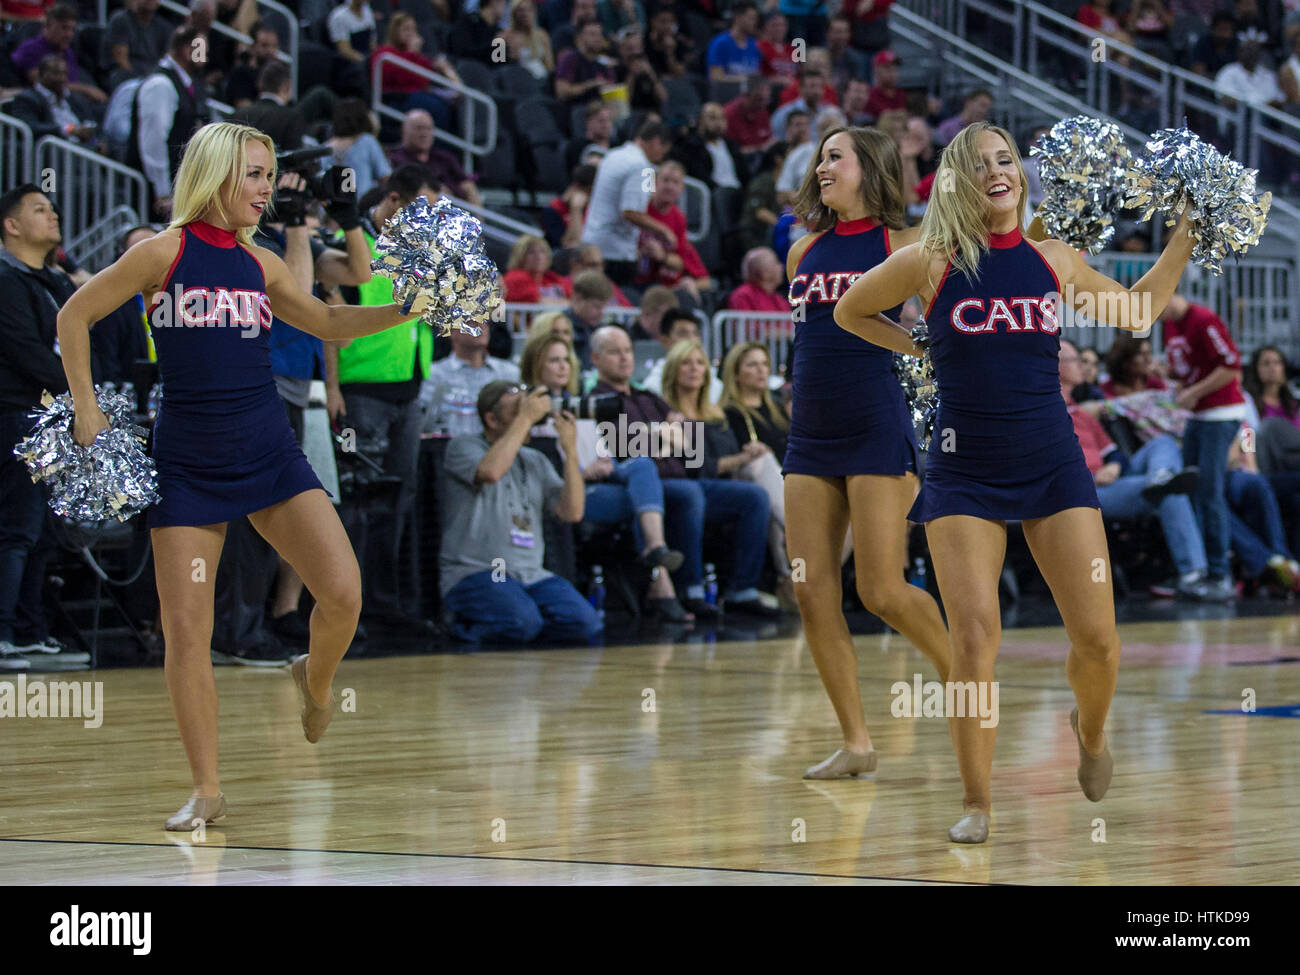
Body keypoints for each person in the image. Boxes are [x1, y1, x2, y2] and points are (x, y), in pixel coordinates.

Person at [56, 122, 433, 828]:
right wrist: (85, 405)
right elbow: (74, 314)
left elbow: (324, 319)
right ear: (216, 177)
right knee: (187, 630)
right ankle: (207, 786)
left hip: (268, 450)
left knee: (343, 592)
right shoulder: (161, 253)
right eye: (253, 175)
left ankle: (312, 678)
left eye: (268, 175)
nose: (265, 188)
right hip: (189, 463)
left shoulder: (261, 263)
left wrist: (405, 306)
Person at [835, 121, 1196, 842]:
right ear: (957, 182)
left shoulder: (1052, 258)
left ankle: (1090, 735)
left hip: (1052, 461)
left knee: (1098, 640)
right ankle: (978, 801)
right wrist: (916, 344)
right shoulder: (929, 262)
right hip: (963, 467)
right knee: (974, 637)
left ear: (1021, 174)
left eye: (1006, 159)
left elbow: (1137, 309)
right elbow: (848, 309)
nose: (997, 171)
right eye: (979, 164)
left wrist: (1185, 230)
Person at [778, 125, 953, 783]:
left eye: (835, 157)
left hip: (877, 423)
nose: (823, 167)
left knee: (880, 587)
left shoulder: (904, 244)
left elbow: (936, 330)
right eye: (821, 158)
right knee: (809, 588)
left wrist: (925, 355)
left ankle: (963, 678)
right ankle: (856, 741)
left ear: (870, 167)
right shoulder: (802, 252)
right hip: (810, 433)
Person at [326, 164, 442, 630]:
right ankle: (347, 604)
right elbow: (329, 321)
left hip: (406, 390)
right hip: (360, 391)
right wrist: (332, 386)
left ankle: (381, 600)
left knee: (398, 497)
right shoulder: (350, 249)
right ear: (393, 201)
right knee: (359, 497)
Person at [589, 327, 773, 618]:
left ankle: (742, 589)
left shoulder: (648, 397)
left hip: (687, 478)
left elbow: (693, 449)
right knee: (690, 493)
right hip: (648, 487)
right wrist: (667, 436)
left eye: (628, 351)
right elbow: (624, 450)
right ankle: (691, 588)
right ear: (595, 358)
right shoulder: (597, 401)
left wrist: (664, 436)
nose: (624, 358)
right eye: (615, 352)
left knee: (754, 497)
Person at [521, 329, 690, 619]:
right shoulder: (528, 410)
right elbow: (540, 468)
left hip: (600, 480)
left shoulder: (581, 403)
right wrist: (585, 471)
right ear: (536, 364)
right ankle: (660, 577)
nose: (563, 366)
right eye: (553, 361)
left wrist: (608, 462)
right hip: (569, 492)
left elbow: (604, 450)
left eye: (566, 360)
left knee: (641, 464)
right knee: (646, 500)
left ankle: (655, 547)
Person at [0, 184, 89, 669]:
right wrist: (83, 385)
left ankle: (30, 629)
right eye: (39, 209)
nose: (53, 214)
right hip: (15, 415)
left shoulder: (53, 281)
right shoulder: (5, 279)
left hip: (50, 417)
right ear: (11, 226)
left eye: (53, 207)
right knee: (16, 528)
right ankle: (4, 632)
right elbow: (27, 353)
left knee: (41, 529)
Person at [438, 381, 601, 644]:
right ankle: (459, 627)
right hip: (477, 571)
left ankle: (522, 628)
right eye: (518, 408)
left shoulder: (535, 459)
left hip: (531, 575)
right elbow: (491, 472)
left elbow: (572, 513)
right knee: (521, 622)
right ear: (491, 419)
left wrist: (571, 453)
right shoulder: (463, 446)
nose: (531, 415)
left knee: (585, 623)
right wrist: (525, 418)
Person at [1060, 339, 1210, 599]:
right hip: (1082, 491)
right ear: (1055, 365)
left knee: (1163, 445)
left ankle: (1161, 477)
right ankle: (1193, 573)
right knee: (1172, 490)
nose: (1083, 367)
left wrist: (1115, 466)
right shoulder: (1041, 413)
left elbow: (1116, 454)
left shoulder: (1082, 414)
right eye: (1076, 361)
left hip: (1111, 482)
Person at [1161, 293, 1246, 602]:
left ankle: (1220, 573)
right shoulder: (1171, 324)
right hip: (1198, 415)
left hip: (1220, 414)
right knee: (1190, 489)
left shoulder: (1204, 320)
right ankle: (1200, 569)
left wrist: (1193, 391)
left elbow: (1231, 366)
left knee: (1209, 493)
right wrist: (1168, 375)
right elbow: (1190, 368)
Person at [719, 340, 793, 607]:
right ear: (736, 372)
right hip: (747, 479)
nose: (761, 371)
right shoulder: (728, 413)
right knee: (761, 466)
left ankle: (791, 579)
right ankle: (796, 530)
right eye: (752, 365)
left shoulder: (777, 408)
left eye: (764, 364)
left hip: (784, 485)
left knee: (775, 512)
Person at [580, 119, 675, 289]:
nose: (661, 158)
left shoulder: (614, 155)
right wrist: (664, 230)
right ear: (655, 142)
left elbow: (647, 198)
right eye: (663, 151)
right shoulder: (640, 166)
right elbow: (630, 212)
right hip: (615, 252)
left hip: (594, 241)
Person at [129, 26, 207, 219]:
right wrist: (163, 191)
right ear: (188, 50)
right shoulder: (160, 84)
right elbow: (153, 141)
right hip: (155, 197)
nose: (206, 56)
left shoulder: (187, 83)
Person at [422, 319, 521, 436]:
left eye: (485, 322)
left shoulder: (510, 372)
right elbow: (424, 421)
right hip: (448, 446)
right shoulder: (434, 373)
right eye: (472, 322)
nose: (481, 327)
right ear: (451, 331)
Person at [371, 11, 462, 132]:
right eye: (406, 29)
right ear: (395, 31)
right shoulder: (385, 53)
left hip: (415, 94)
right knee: (438, 107)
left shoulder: (412, 54)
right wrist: (412, 53)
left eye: (413, 29)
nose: (411, 34)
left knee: (454, 106)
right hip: (396, 98)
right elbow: (406, 78)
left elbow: (426, 77)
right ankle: (438, 148)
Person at [13, 5, 107, 105]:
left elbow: (71, 83)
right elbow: (45, 85)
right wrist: (85, 89)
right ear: (47, 26)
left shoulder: (68, 52)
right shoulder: (30, 49)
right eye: (64, 28)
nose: (69, 34)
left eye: (72, 30)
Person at [386, 109, 481, 205]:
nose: (424, 134)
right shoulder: (394, 159)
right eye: (419, 128)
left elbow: (465, 183)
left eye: (428, 129)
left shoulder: (445, 158)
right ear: (404, 131)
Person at [7, 54, 97, 142]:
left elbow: (91, 122)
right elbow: (30, 127)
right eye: (56, 73)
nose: (61, 78)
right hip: (54, 152)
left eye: (64, 73)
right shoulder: (27, 98)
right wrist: (68, 130)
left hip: (84, 148)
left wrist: (100, 141)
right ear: (41, 75)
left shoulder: (74, 98)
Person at [639, 309, 720, 399]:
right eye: (683, 333)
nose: (691, 339)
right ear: (665, 340)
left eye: (695, 334)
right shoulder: (653, 386)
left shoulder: (716, 385)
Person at [229, 60, 304, 151]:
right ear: (286, 86)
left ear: (259, 84)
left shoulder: (239, 113)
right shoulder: (292, 117)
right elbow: (293, 159)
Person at [326, 98, 391, 200]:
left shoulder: (325, 147)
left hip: (331, 209)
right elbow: (386, 177)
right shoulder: (367, 141)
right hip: (361, 205)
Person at [504, 234, 573, 305]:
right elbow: (540, 303)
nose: (538, 257)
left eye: (542, 251)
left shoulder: (551, 277)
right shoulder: (515, 278)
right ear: (520, 257)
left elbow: (574, 300)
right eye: (531, 252)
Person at [707, 1, 761, 83]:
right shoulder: (720, 43)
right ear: (737, 18)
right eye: (751, 18)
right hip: (726, 94)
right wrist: (744, 80)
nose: (755, 22)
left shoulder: (754, 45)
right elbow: (715, 77)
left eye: (755, 19)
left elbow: (757, 75)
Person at [728, 246, 791, 314]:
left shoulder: (779, 299)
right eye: (776, 262)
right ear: (764, 273)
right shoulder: (743, 296)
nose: (781, 267)